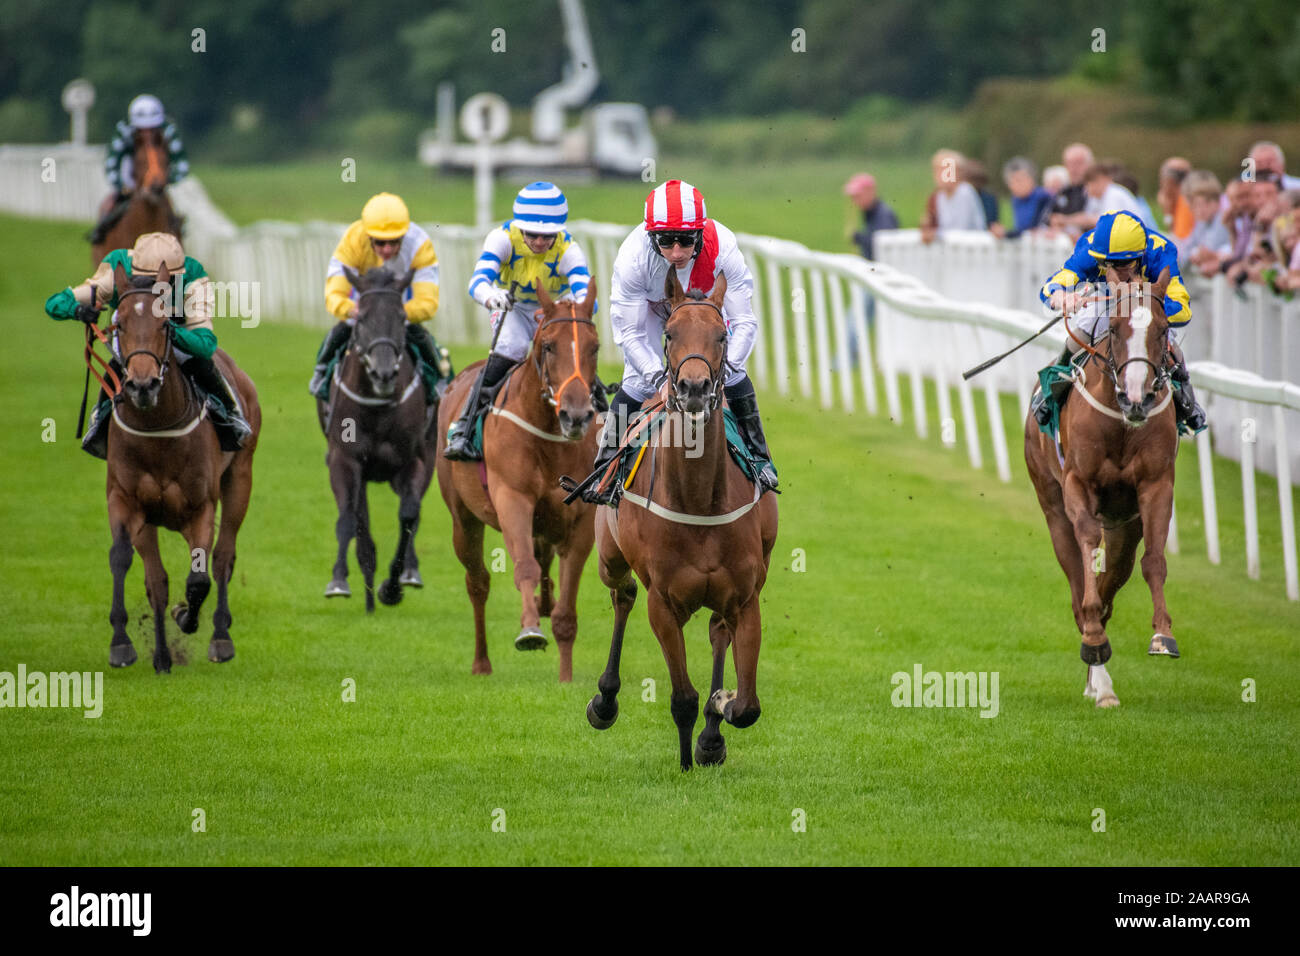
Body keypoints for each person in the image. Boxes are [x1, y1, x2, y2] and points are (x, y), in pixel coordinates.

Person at [580, 179, 776, 503]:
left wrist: (723, 372)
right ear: (650, 235)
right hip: (654, 309)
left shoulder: (723, 247)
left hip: (703, 312)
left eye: (685, 240)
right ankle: (606, 471)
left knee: (737, 375)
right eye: (665, 240)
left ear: (700, 233)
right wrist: (658, 378)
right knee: (636, 384)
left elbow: (744, 322)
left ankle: (760, 457)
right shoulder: (632, 258)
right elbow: (629, 332)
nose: (675, 252)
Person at [44, 232, 251, 458]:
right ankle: (100, 421)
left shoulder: (192, 275)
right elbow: (54, 303)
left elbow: (205, 345)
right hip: (130, 334)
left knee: (200, 362)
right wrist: (78, 310)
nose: (154, 287)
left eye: (162, 282)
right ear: (134, 271)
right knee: (117, 365)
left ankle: (230, 414)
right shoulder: (116, 270)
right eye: (146, 280)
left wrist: (169, 330)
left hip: (174, 333)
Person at [443, 182, 594, 461]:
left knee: (574, 355)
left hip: (551, 312)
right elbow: (477, 283)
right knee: (511, 348)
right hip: (511, 307)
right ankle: (464, 427)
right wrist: (491, 297)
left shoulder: (570, 249)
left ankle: (605, 428)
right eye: (532, 234)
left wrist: (572, 305)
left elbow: (587, 297)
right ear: (519, 226)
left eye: (547, 236)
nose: (539, 242)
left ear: (558, 231)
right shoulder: (501, 238)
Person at [1030, 210, 1206, 435]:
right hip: (1109, 304)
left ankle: (1187, 400)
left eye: (1121, 265)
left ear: (1140, 256)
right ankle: (1050, 394)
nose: (1110, 270)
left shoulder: (1161, 251)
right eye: (1105, 264)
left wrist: (1143, 308)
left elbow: (1182, 308)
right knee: (1078, 338)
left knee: (1174, 350)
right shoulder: (1092, 247)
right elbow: (1058, 280)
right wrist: (1061, 296)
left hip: (1149, 310)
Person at [308, 192, 444, 404]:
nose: (387, 249)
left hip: (400, 306)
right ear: (369, 236)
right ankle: (322, 372)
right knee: (341, 329)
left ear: (404, 235)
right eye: (380, 243)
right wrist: (351, 310)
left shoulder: (419, 245)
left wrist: (395, 314)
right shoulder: (353, 240)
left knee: (421, 336)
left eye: (394, 242)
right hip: (364, 306)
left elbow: (428, 303)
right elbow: (333, 294)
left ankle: (439, 379)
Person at [89, 94, 189, 245]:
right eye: (143, 129)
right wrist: (122, 185)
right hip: (130, 173)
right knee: (110, 205)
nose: (147, 132)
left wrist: (167, 179)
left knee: (171, 211)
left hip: (159, 178)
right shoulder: (124, 131)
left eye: (152, 129)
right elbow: (111, 164)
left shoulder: (168, 131)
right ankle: (101, 231)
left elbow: (181, 164)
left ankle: (177, 233)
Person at [920, 149, 986, 242]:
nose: (938, 175)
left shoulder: (965, 192)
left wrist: (936, 234)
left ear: (958, 172)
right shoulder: (940, 196)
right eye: (937, 170)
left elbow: (961, 229)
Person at [844, 172, 899, 260]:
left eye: (858, 196)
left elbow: (884, 244)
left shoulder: (883, 215)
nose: (854, 201)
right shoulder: (869, 212)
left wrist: (860, 238)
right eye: (853, 197)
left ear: (870, 192)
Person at [1046, 143, 1094, 235]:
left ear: (1090, 164)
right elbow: (1049, 219)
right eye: (1069, 164)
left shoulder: (1100, 190)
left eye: (1078, 163)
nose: (1073, 169)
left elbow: (1099, 220)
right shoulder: (1064, 192)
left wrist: (1066, 220)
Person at [1001, 157, 1052, 239]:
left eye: (1020, 180)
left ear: (1031, 179)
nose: (1017, 185)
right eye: (1012, 181)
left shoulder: (1044, 197)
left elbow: (1030, 227)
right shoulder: (1015, 200)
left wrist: (1006, 233)